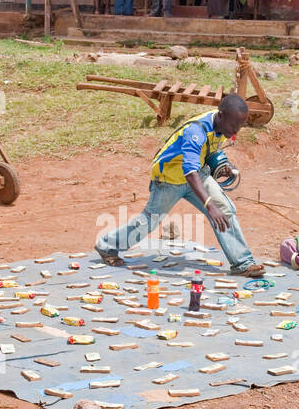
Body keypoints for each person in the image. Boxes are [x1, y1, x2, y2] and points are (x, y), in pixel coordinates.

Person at [95, 94, 265, 278]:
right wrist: (209, 205)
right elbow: (189, 172)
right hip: (169, 178)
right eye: (233, 126)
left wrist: (221, 166)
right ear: (221, 115)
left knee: (225, 210)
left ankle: (242, 263)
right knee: (150, 221)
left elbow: (205, 154)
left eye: (239, 126)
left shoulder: (222, 126)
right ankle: (107, 246)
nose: (235, 131)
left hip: (195, 174)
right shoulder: (196, 131)